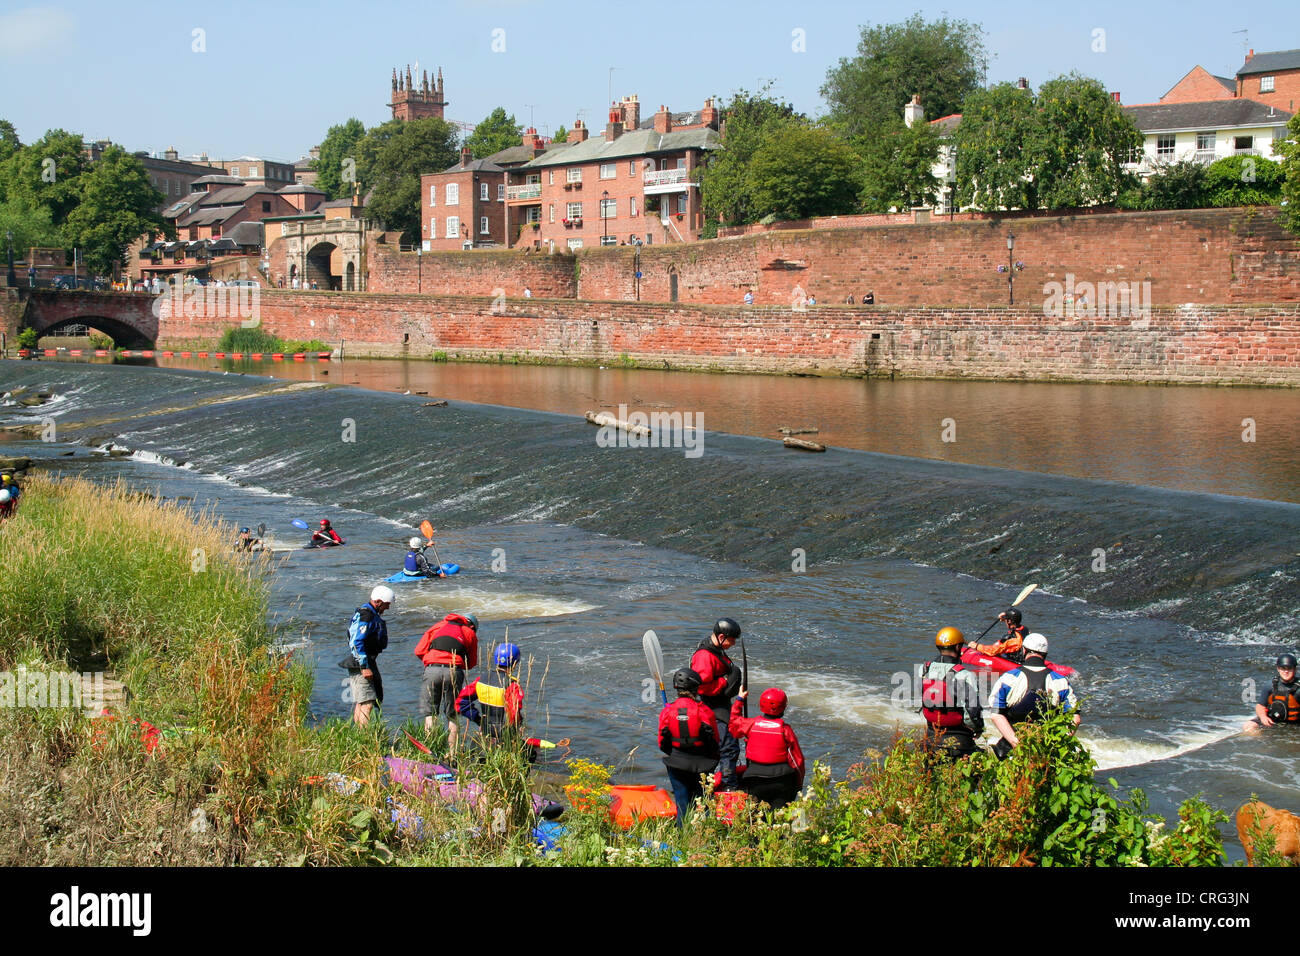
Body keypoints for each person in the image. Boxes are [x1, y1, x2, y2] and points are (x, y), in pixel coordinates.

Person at [987, 633, 1079, 756]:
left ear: (1024, 651)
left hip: (1011, 747)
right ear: (1045, 654)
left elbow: (996, 715)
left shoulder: (1008, 678)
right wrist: (1056, 745)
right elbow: (1075, 718)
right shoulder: (1061, 681)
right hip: (1047, 748)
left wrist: (1017, 744)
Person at [658, 668, 720, 824]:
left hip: (677, 763)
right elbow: (715, 741)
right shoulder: (705, 710)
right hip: (703, 764)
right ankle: (705, 833)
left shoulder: (667, 711)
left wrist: (675, 753)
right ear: (695, 688)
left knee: (682, 804)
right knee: (703, 804)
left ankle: (683, 834)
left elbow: (662, 743)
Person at [689, 617, 744, 790]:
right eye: (731, 640)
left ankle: (709, 786)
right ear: (721, 637)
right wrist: (725, 682)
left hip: (719, 706)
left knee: (722, 749)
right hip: (713, 710)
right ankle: (728, 788)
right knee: (728, 748)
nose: (733, 644)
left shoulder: (715, 649)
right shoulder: (704, 656)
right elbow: (702, 686)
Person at [729, 687, 805, 809]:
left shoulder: (750, 724)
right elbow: (797, 761)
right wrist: (798, 785)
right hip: (782, 780)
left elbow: (733, 723)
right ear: (783, 707)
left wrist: (739, 700)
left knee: (758, 815)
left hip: (754, 779)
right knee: (780, 816)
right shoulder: (785, 730)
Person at [414, 611, 480, 749]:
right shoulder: (470, 633)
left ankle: (430, 749)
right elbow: (472, 663)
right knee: (453, 714)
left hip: (432, 669)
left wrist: (432, 661)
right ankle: (451, 753)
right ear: (473, 626)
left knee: (430, 713)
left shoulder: (437, 626)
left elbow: (419, 651)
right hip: (453, 671)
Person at [919, 627, 985, 760]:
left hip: (931, 738)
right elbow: (972, 712)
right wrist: (978, 729)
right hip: (959, 741)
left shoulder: (924, 669)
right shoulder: (965, 675)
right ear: (958, 647)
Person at [340, 585, 393, 726]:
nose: (388, 608)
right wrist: (364, 666)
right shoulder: (367, 616)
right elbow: (356, 641)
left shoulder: (369, 614)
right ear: (378, 602)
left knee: (362, 701)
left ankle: (359, 733)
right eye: (387, 604)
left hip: (366, 661)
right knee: (367, 702)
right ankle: (364, 736)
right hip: (362, 664)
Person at [457, 642, 526, 747]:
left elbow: (460, 703)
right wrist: (516, 730)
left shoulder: (481, 680)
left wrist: (478, 720)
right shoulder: (512, 685)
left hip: (485, 731)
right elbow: (514, 713)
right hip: (505, 734)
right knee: (534, 753)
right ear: (515, 663)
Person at [1244, 653, 1300, 733]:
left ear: (1295, 669)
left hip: (1295, 723)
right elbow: (1260, 706)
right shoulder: (1270, 685)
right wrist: (1263, 717)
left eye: (1289, 668)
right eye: (1283, 668)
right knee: (1248, 726)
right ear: (1278, 669)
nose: (1286, 671)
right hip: (1273, 720)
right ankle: (1263, 740)